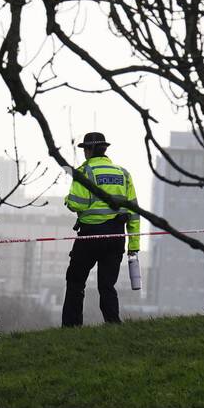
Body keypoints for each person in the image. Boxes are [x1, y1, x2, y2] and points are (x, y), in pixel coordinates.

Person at [62, 132, 139, 326]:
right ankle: (113, 323)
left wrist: (67, 200)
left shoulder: (84, 172)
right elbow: (133, 212)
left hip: (90, 235)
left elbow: (77, 203)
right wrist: (134, 244)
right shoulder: (123, 173)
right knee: (107, 284)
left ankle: (71, 326)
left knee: (75, 281)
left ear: (88, 150)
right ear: (104, 149)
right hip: (116, 236)